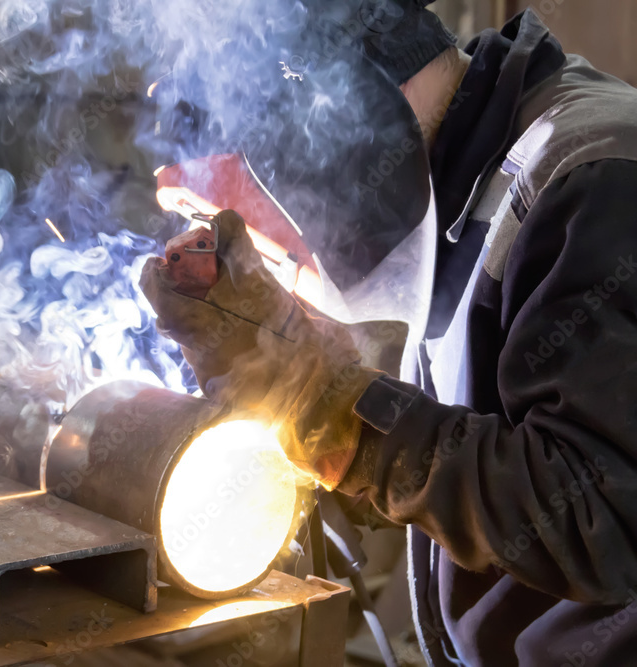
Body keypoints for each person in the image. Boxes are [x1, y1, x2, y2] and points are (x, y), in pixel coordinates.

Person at [140, 1, 637, 665]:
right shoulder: (455, 184)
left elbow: (598, 519)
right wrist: (304, 395)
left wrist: (331, 408)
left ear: (345, 110)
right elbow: (471, 447)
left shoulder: (591, 179)